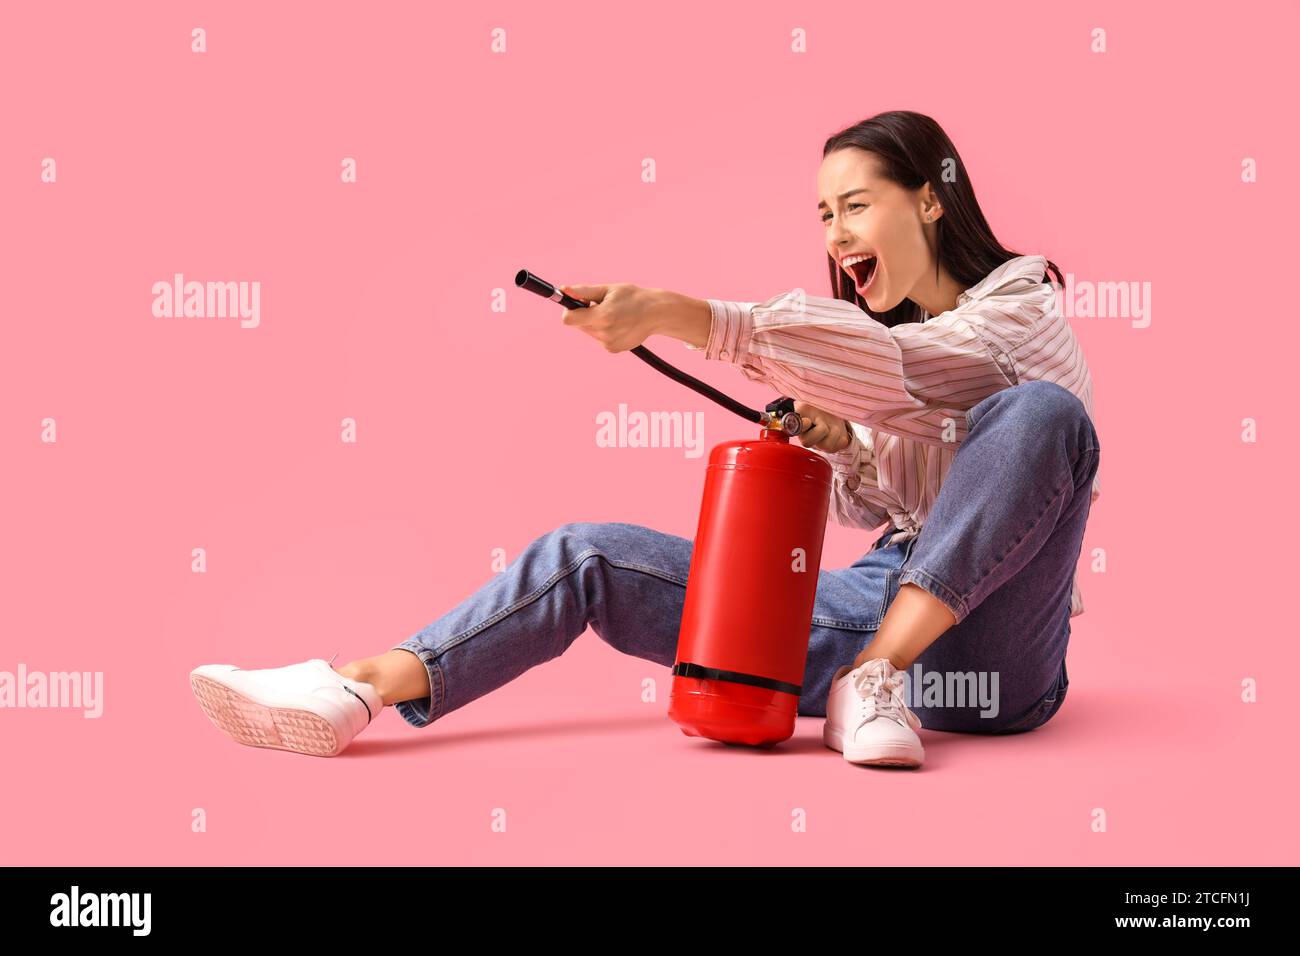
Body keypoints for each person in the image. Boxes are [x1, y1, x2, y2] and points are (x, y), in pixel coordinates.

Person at [189, 109, 1100, 770]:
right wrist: (838, 447)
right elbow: (872, 502)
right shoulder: (873, 347)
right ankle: (360, 685)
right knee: (587, 553)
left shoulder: (1022, 306)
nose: (835, 231)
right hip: (883, 607)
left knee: (1043, 418)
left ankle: (874, 678)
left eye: (855, 206)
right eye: (824, 215)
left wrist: (677, 314)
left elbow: (938, 377)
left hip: (997, 654)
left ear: (933, 201)